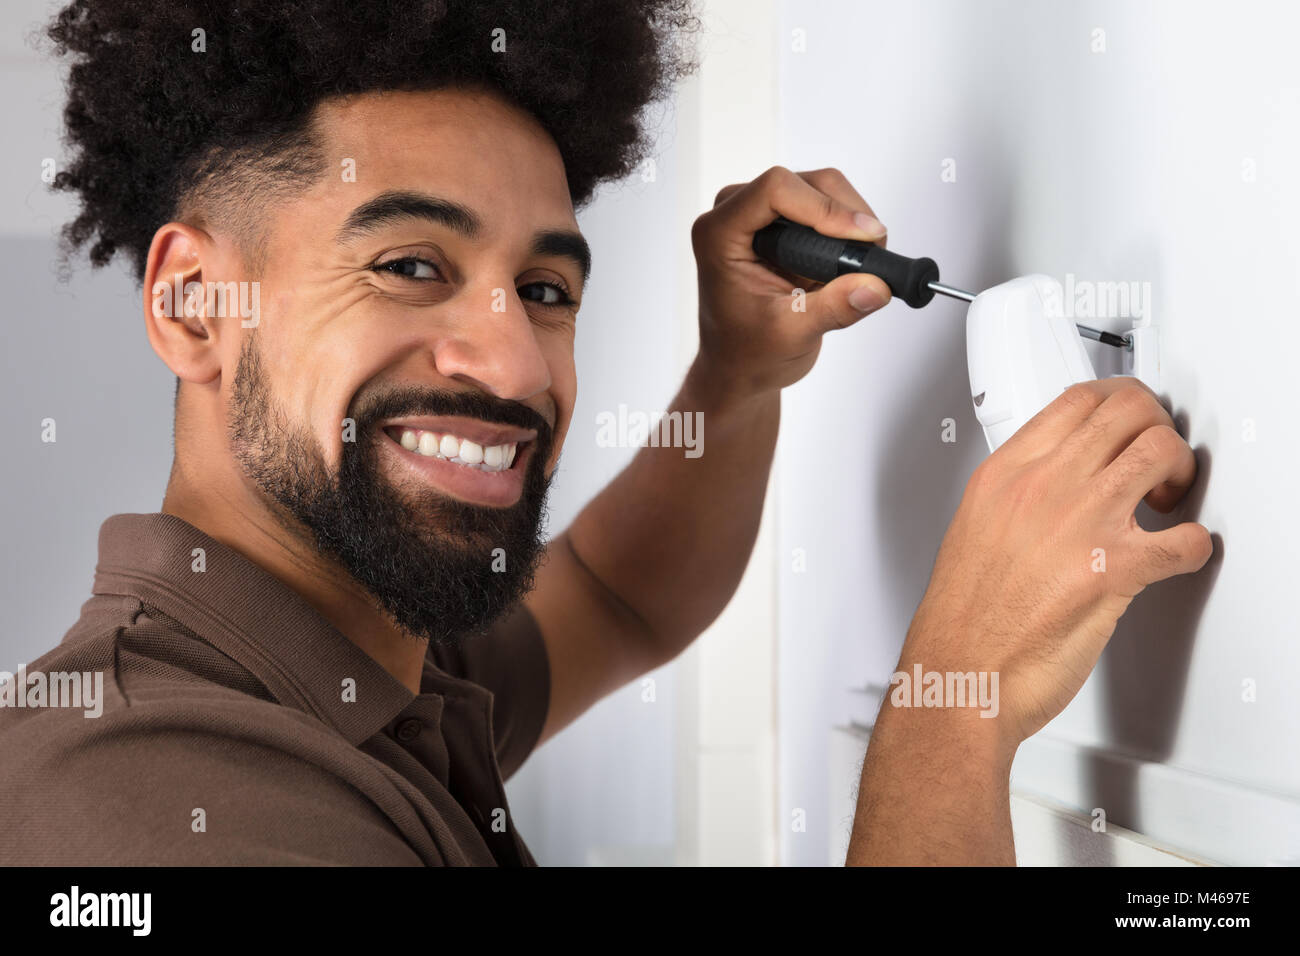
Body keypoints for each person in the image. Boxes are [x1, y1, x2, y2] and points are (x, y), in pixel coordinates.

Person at [0, 0, 1209, 865]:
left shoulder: (363, 662)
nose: (518, 362)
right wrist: (953, 712)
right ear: (193, 303)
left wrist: (736, 374)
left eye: (544, 288)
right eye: (411, 264)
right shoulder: (145, 791)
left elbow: (616, 595)